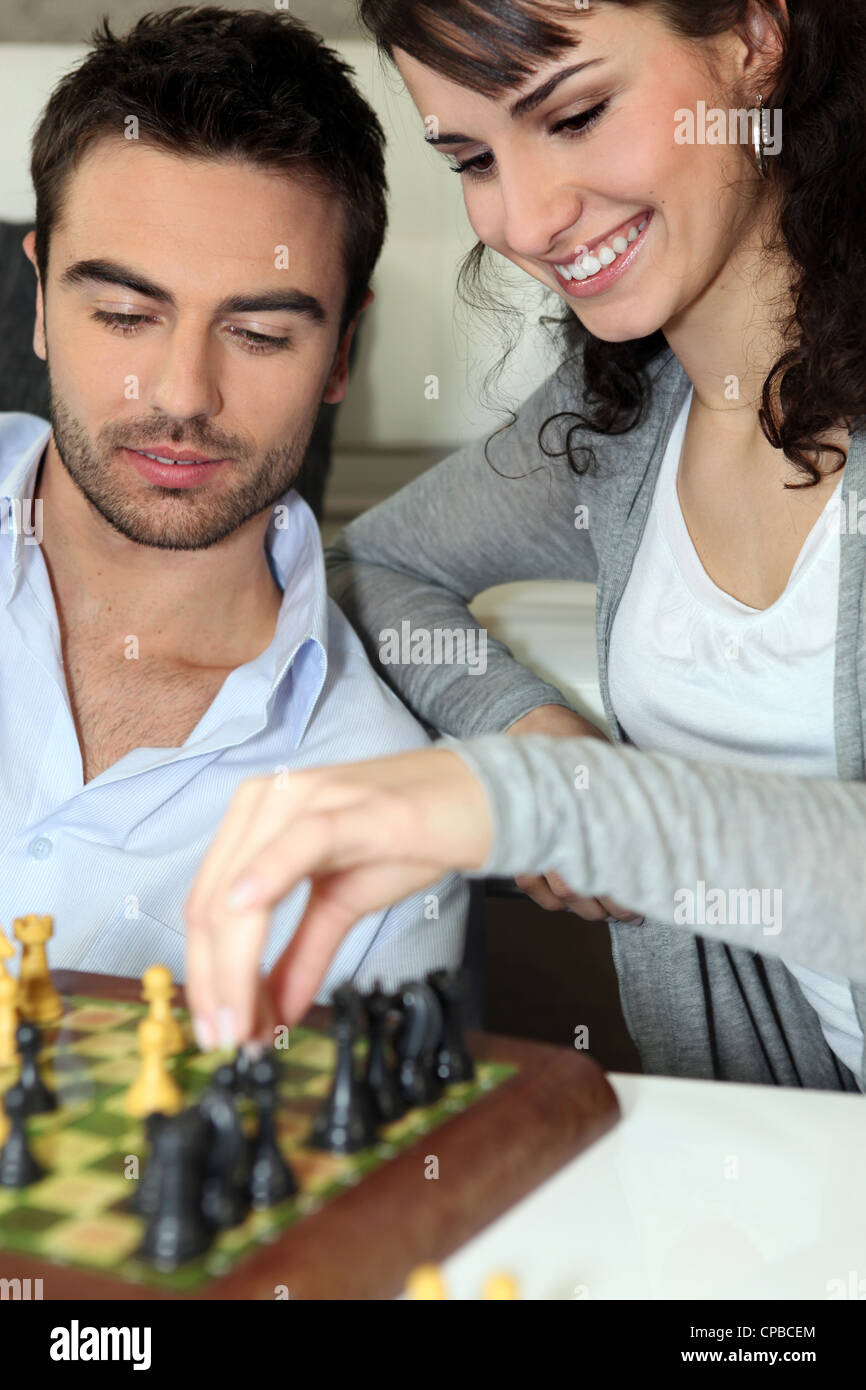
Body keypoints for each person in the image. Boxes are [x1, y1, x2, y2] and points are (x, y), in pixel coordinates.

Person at [185, 0, 866, 1092]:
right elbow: (370, 571)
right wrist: (526, 727)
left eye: (577, 113)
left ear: (753, 36)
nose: (526, 217)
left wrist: (543, 804)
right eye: (470, 155)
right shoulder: (624, 422)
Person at [0, 6, 468, 1039]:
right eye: (125, 315)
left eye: (257, 333)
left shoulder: (378, 830)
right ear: (37, 297)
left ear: (344, 348)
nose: (183, 393)